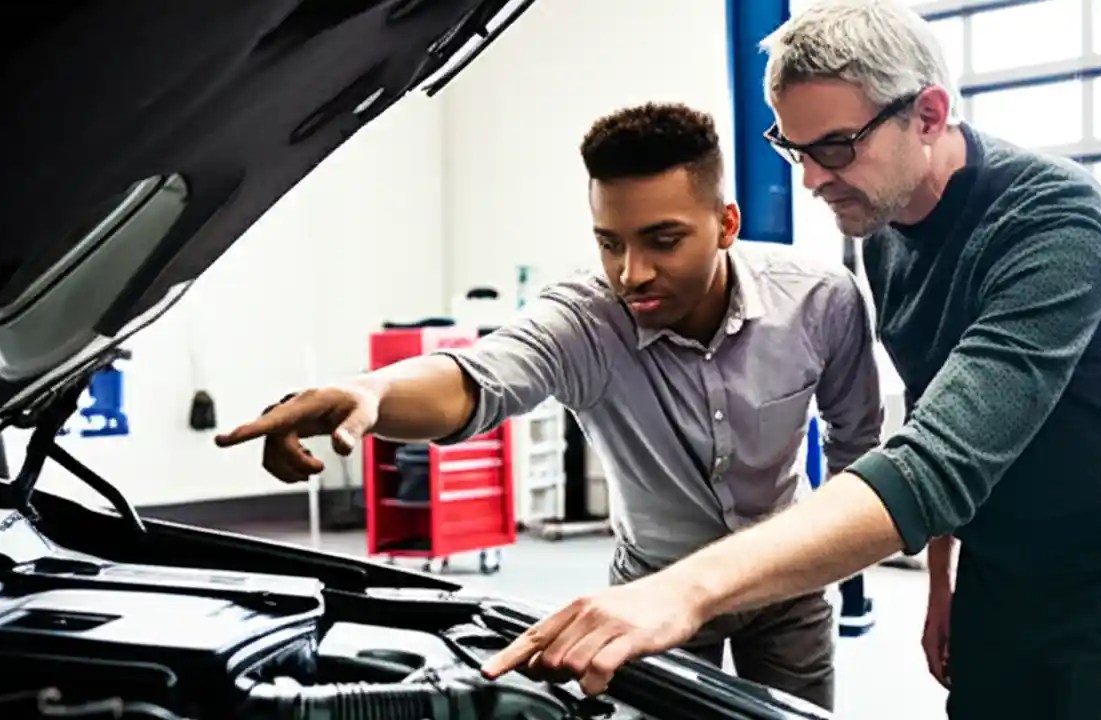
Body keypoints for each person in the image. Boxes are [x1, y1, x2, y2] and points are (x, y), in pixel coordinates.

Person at [477, 2, 1101, 717]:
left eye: (835, 147)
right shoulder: (883, 235)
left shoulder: (1055, 226)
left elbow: (943, 457)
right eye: (793, 149)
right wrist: (944, 579)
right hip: (1003, 554)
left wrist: (687, 590)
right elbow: (938, 406)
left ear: (927, 115)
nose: (810, 178)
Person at [215, 102, 884, 712]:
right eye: (610, 242)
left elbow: (858, 437)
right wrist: (373, 391)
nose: (632, 273)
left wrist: (842, 568)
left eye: (663, 239)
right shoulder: (586, 321)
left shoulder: (821, 301)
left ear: (726, 224)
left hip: (783, 586)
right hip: (650, 589)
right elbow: (478, 378)